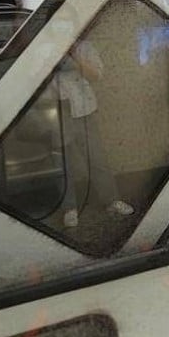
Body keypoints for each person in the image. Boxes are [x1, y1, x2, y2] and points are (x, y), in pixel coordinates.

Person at [56, 35, 134, 228]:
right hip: (57, 107)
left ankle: (111, 200)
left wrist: (74, 55)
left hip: (83, 108)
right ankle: (69, 208)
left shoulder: (84, 47)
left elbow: (96, 75)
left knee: (96, 157)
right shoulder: (43, 46)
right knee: (63, 161)